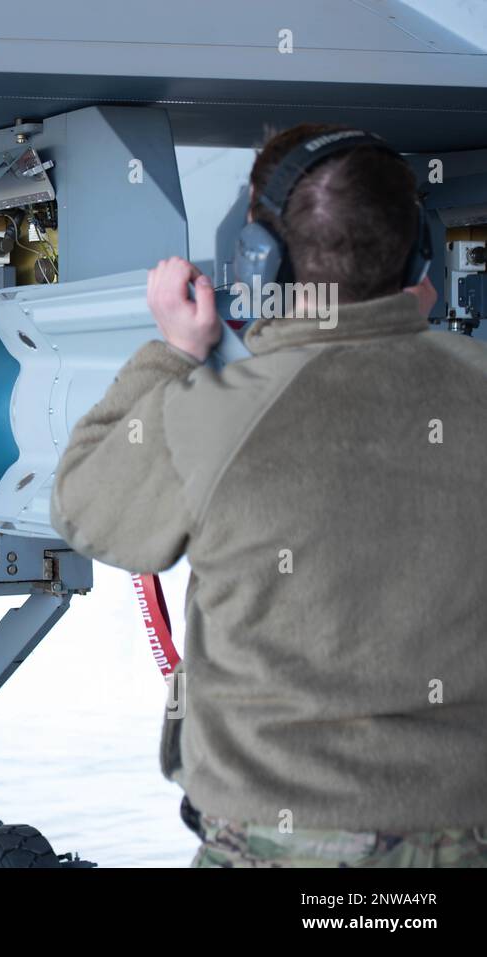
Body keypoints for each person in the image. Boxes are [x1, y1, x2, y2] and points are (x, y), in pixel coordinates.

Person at [50, 123, 487, 868]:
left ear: (262, 256)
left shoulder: (212, 412)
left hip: (275, 847)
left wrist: (171, 352)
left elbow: (86, 509)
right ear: (420, 251)